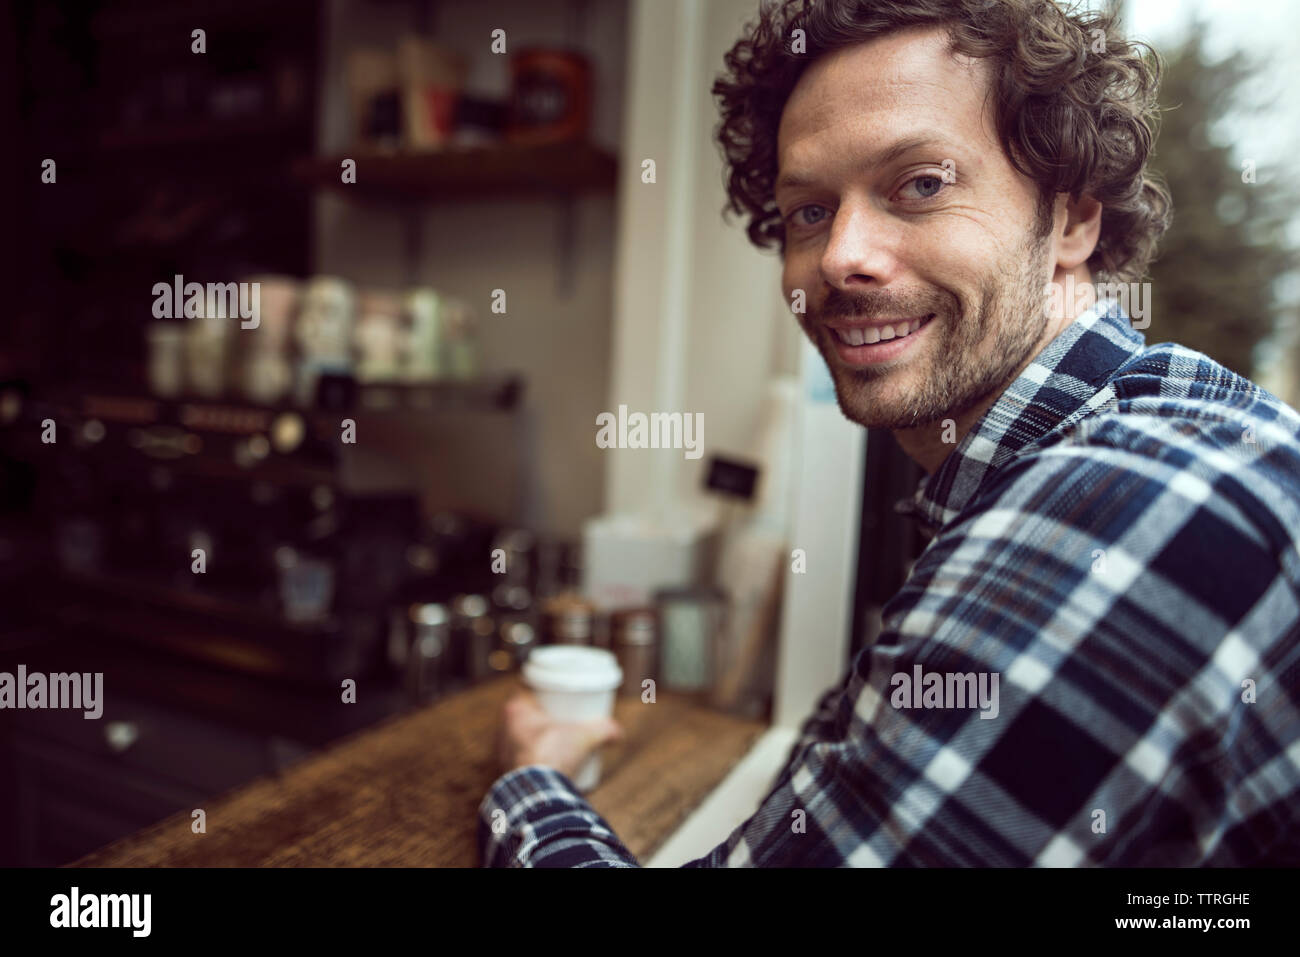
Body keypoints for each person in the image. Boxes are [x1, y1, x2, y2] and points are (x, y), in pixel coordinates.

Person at [478, 0, 1300, 867]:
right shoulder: (1151, 429)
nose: (839, 257)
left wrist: (529, 781)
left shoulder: (1122, 506)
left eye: (921, 183)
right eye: (808, 211)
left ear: (1072, 219)